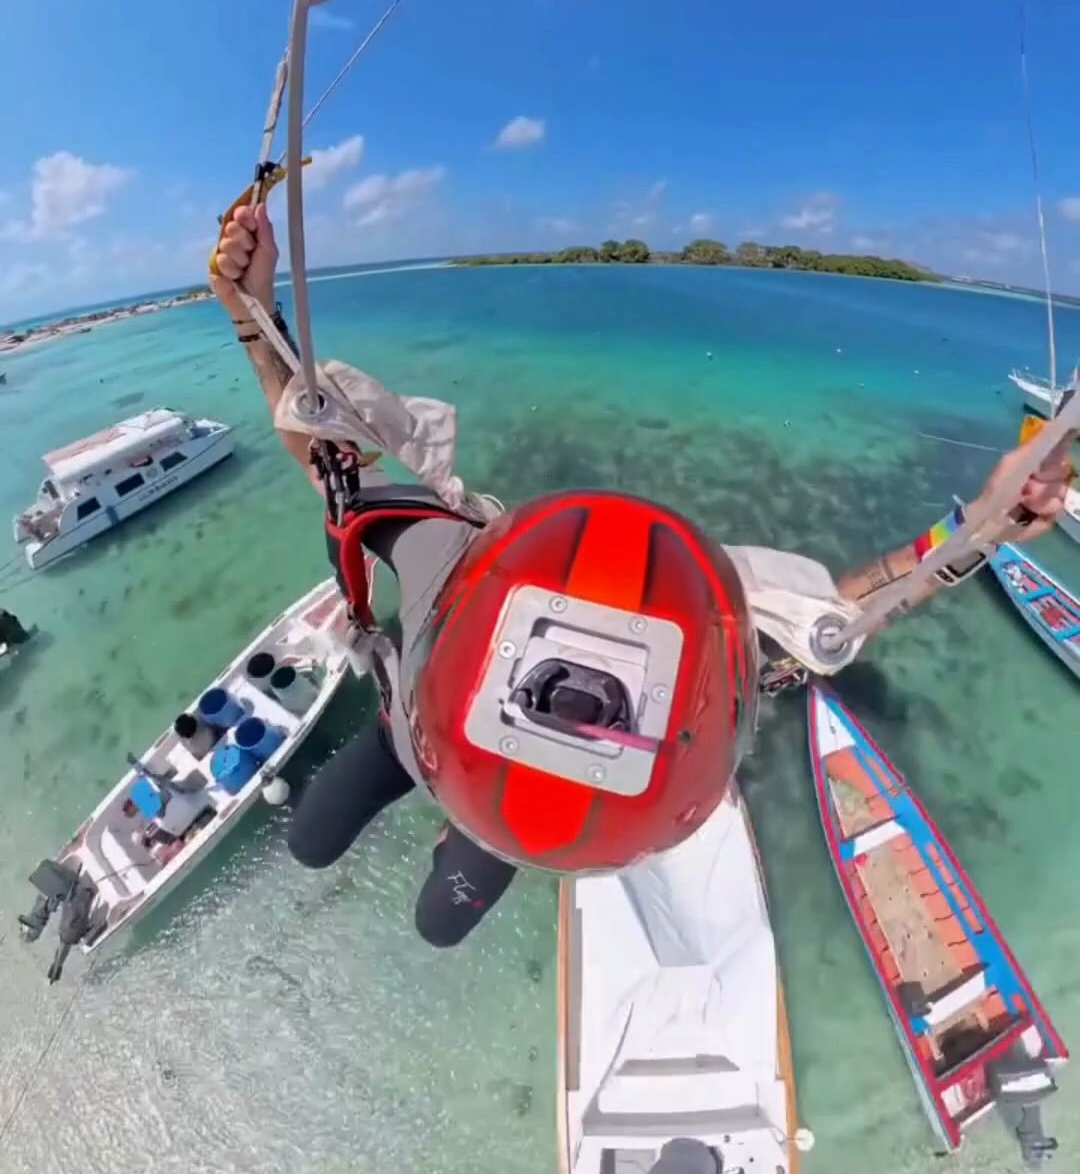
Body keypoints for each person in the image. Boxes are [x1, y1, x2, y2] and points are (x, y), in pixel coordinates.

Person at [211, 203, 1071, 948]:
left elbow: (329, 463)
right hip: (453, 767)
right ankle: (463, 825)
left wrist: (253, 317)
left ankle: (461, 828)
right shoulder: (702, 636)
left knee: (423, 914)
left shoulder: (466, 571)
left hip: (452, 764)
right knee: (315, 845)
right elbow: (854, 603)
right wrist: (980, 527)